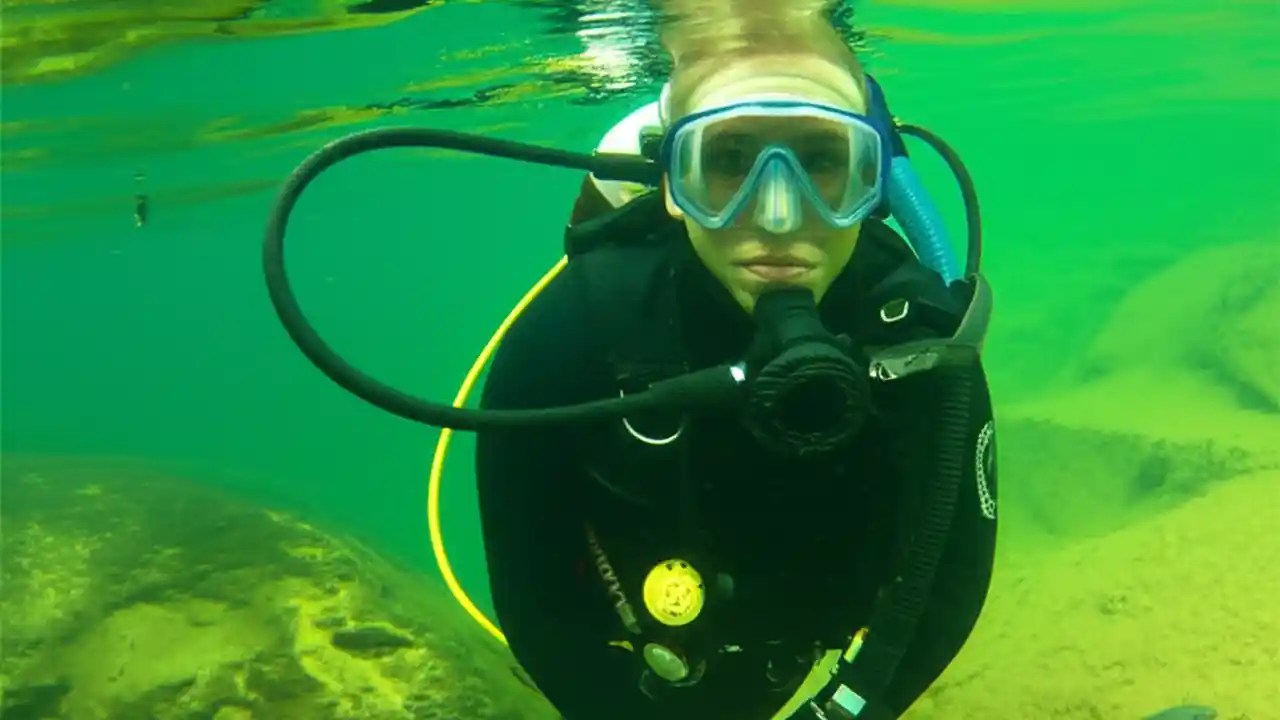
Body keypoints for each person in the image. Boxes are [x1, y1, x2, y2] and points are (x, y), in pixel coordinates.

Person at [474, 7, 997, 720]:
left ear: (871, 183)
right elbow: (536, 604)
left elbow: (950, 583)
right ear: (669, 184)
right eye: (725, 162)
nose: (778, 216)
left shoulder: (918, 340)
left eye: (821, 161)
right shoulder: (570, 334)